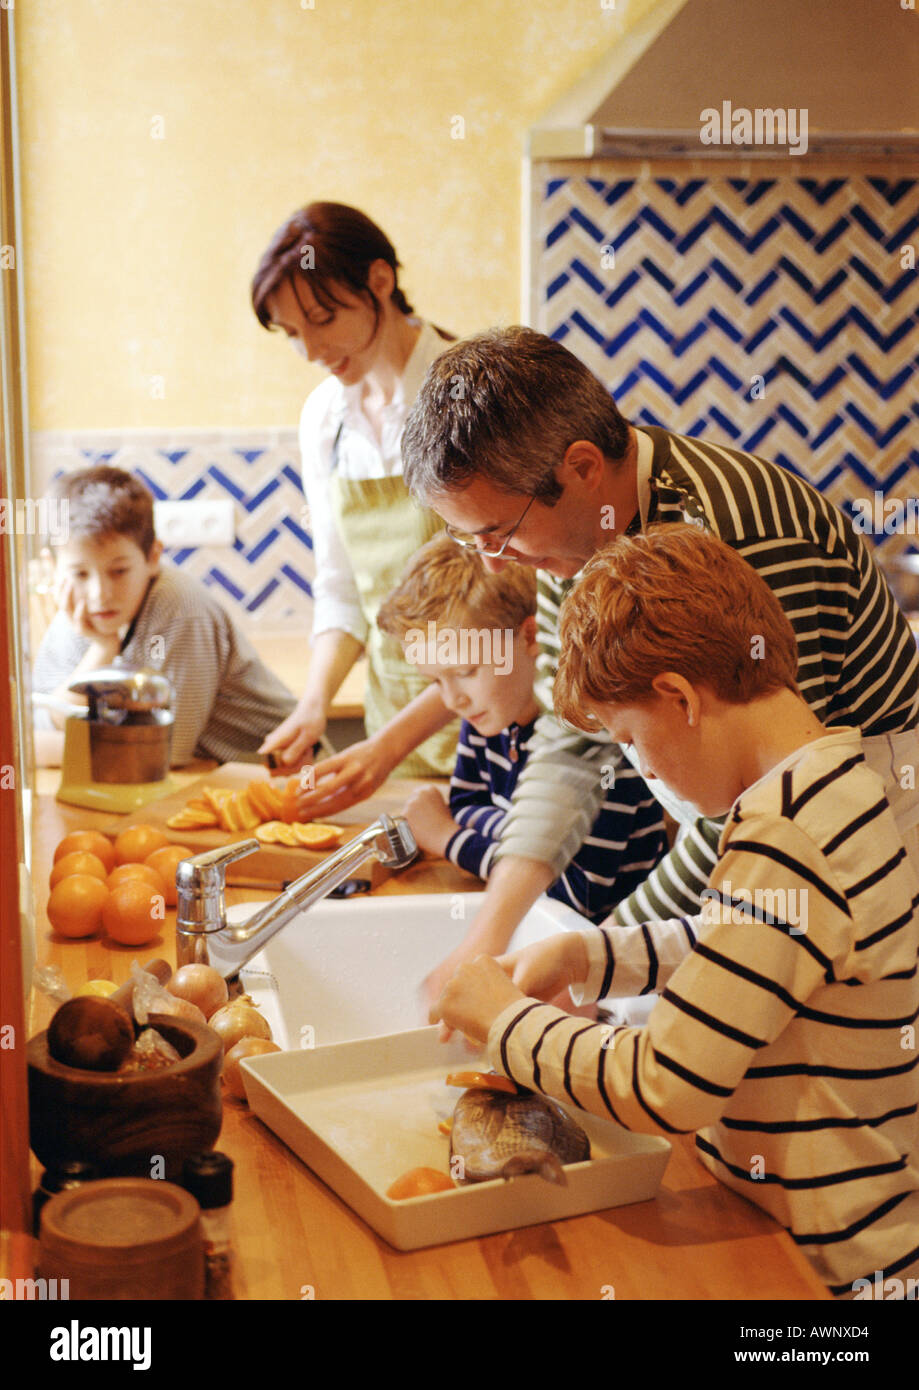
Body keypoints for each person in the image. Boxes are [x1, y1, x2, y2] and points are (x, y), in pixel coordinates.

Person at [294, 324, 919, 999]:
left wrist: (594, 964)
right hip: (738, 823)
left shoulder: (740, 534)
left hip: (869, 813)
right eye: (470, 538)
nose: (494, 561)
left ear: (582, 467)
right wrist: (489, 937)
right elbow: (573, 742)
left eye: (498, 532)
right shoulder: (570, 533)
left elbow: (770, 795)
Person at [431, 524, 919, 1300]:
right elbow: (752, 948)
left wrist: (503, 1022)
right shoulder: (833, 782)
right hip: (817, 1236)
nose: (641, 767)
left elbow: (667, 1084)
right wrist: (595, 956)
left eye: (628, 739)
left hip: (828, 1280)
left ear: (679, 699)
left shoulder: (786, 835)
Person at [250, 201, 460, 784]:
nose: (311, 351)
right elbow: (341, 588)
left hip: (489, 716)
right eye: (292, 333)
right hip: (392, 716)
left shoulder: (466, 396)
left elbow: (513, 615)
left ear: (380, 281)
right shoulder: (325, 418)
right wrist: (313, 704)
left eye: (322, 319)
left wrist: (388, 749)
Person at [376, 532, 667, 920]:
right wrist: (521, 837)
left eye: (465, 671)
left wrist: (448, 838)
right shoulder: (487, 717)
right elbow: (465, 804)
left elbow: (576, 892)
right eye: (435, 681)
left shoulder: (590, 738)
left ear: (530, 636)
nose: (452, 700)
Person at [31, 465, 296, 767]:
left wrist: (49, 749)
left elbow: (168, 752)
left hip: (277, 776)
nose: (99, 593)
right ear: (52, 567)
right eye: (79, 573)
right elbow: (44, 723)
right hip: (195, 779)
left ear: (153, 557)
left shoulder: (181, 607)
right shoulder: (77, 615)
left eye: (119, 571)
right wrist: (102, 649)